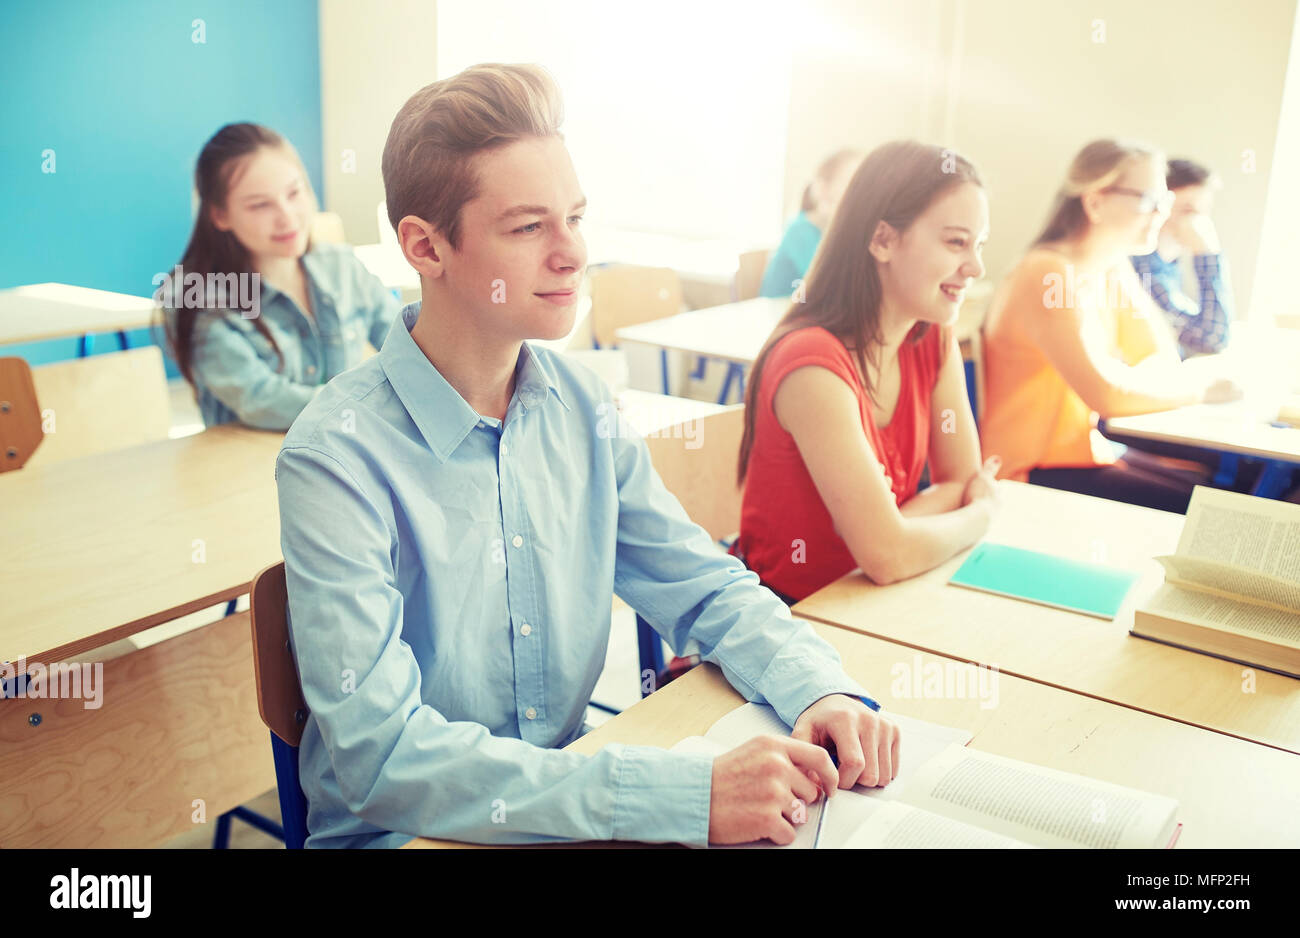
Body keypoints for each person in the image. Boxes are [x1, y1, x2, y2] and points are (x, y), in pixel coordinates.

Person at [274, 63, 899, 849]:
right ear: (425, 247)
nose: (574, 253)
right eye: (529, 227)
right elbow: (383, 759)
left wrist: (815, 686)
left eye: (575, 217)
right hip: (405, 838)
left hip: (561, 803)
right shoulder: (335, 456)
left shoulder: (583, 406)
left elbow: (702, 587)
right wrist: (677, 794)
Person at [734, 141, 999, 603]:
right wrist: (979, 514)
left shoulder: (932, 336)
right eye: (956, 241)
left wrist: (892, 536)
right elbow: (887, 556)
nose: (975, 266)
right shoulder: (812, 364)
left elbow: (959, 481)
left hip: (874, 601)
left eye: (978, 245)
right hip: (794, 621)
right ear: (882, 240)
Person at [980, 140, 1241, 514]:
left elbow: (1159, 355)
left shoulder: (1111, 265)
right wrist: (1201, 392)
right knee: (1212, 510)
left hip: (1085, 451)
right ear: (1095, 202)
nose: (1161, 215)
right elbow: (1105, 396)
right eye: (1148, 200)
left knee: (1214, 491)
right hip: (1029, 469)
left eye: (1164, 203)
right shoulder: (1047, 273)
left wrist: (1127, 380)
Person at [160, 123, 401, 429]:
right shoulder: (200, 299)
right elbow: (263, 401)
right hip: (247, 465)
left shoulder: (341, 266)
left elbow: (406, 346)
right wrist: (372, 405)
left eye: (294, 192)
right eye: (260, 205)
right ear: (219, 215)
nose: (287, 217)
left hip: (346, 450)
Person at [1130, 158, 1233, 357]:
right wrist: (1208, 254)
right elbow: (1212, 338)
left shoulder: (1168, 266)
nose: (1199, 221)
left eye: (1204, 211)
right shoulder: (1143, 269)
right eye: (1187, 210)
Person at [758, 148, 863, 297]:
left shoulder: (838, 233)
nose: (860, 192)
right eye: (851, 183)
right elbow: (829, 285)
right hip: (781, 313)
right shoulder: (800, 230)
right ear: (823, 188)